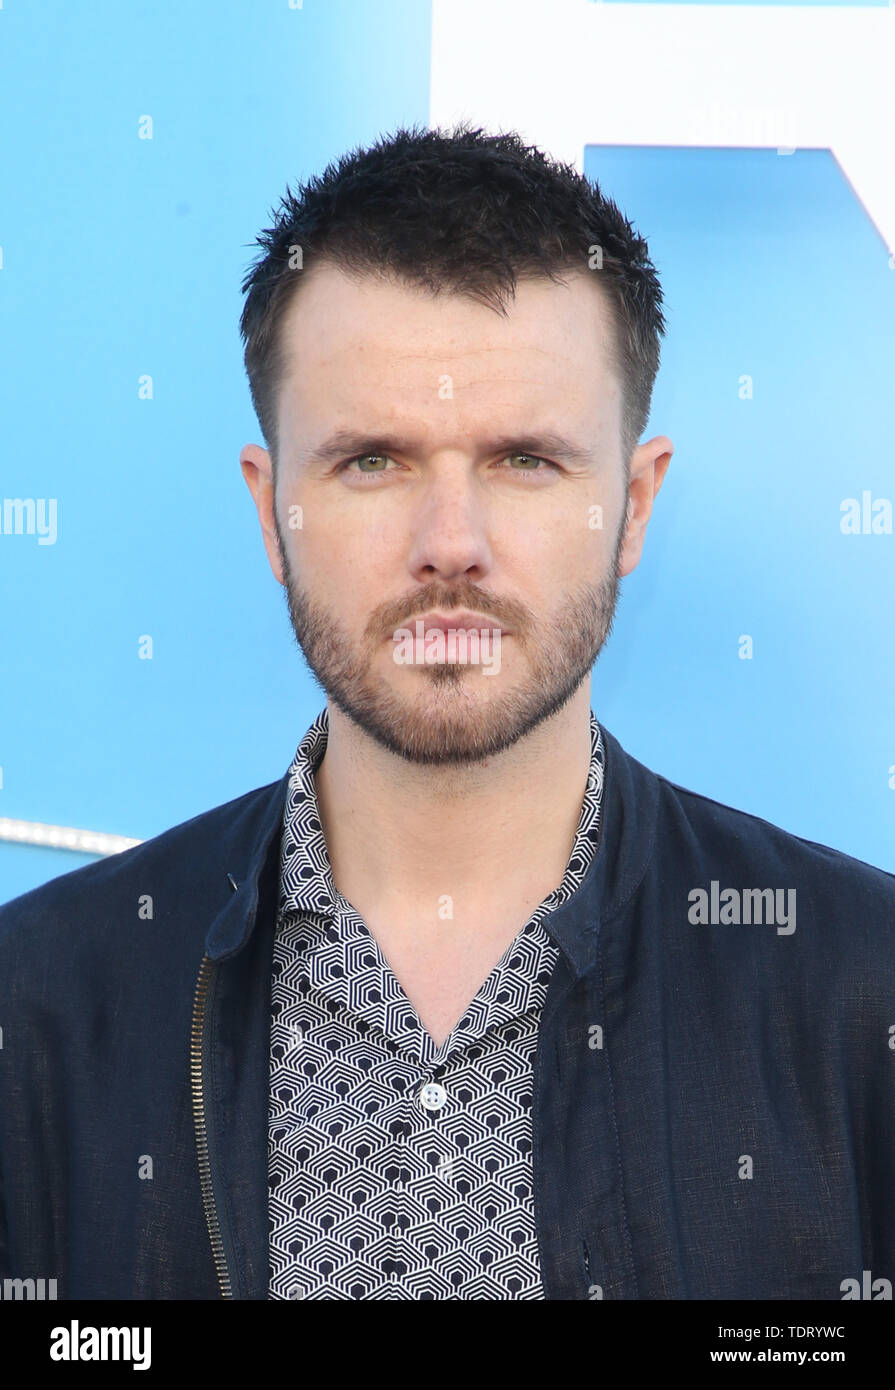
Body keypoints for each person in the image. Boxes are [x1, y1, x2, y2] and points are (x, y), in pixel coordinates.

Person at [1, 124, 892, 1302]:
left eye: (525, 459)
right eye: (373, 460)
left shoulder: (858, 993)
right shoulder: (43, 1010)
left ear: (633, 504)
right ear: (273, 514)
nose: (450, 548)